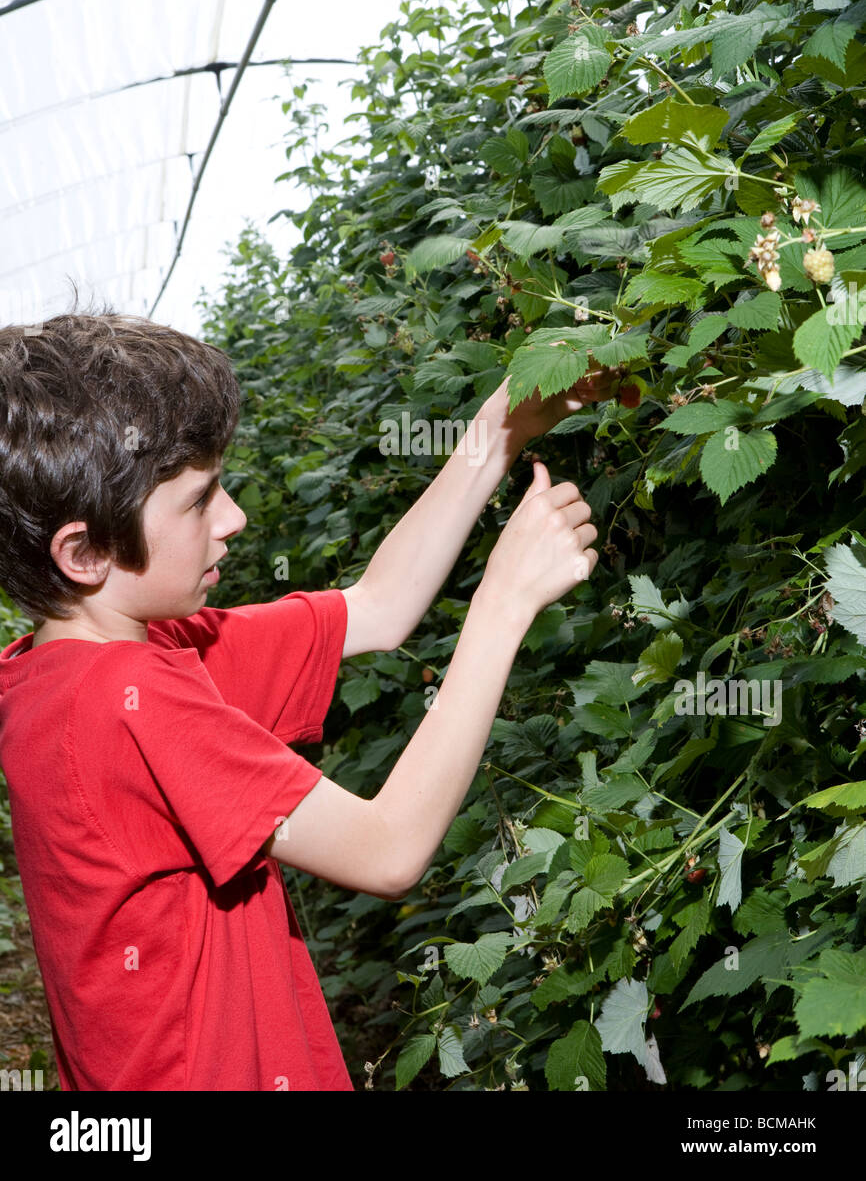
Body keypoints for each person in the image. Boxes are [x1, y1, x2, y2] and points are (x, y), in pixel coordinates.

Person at [0, 308, 614, 1091]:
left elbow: (381, 607)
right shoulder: (131, 699)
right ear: (85, 552)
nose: (234, 520)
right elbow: (388, 850)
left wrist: (499, 428)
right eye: (199, 499)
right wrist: (504, 604)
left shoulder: (75, 667)